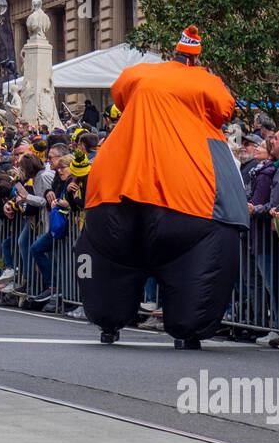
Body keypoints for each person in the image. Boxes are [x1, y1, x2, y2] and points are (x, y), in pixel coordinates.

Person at [75, 25, 247, 347]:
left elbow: (119, 90)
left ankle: (108, 323)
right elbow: (225, 108)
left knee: (109, 253)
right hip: (189, 200)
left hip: (114, 195)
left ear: (174, 52)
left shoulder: (140, 75)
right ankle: (188, 330)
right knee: (204, 249)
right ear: (195, 58)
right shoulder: (205, 82)